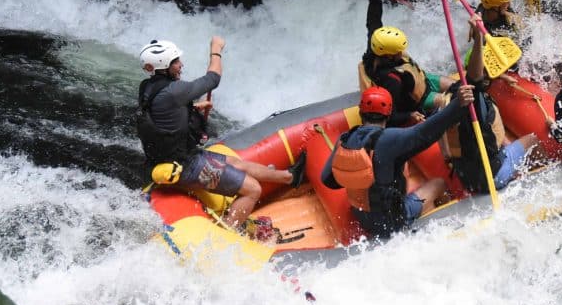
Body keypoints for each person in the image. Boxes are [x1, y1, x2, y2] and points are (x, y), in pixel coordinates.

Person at [135, 37, 306, 230]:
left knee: (236, 163)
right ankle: (229, 234)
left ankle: (289, 177)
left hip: (173, 158)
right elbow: (212, 79)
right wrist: (215, 49)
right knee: (252, 190)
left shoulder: (147, 88)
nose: (181, 65)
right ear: (163, 65)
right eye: (175, 62)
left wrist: (195, 108)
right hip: (186, 167)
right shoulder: (175, 90)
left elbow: (161, 115)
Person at [321, 83, 475, 240]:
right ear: (388, 115)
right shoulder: (388, 139)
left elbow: (328, 180)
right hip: (392, 223)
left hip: (363, 218)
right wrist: (457, 104)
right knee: (439, 184)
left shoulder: (345, 138)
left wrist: (358, 175)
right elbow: (424, 134)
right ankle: (427, 219)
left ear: (361, 113)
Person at [440, 18, 540, 193]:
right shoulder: (474, 100)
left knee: (501, 145)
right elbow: (475, 78)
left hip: (467, 180)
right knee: (531, 139)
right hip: (492, 177)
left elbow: (447, 153)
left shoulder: (448, 97)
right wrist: (478, 38)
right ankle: (537, 176)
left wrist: (501, 77)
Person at [360, 0, 454, 125]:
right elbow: (391, 116)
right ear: (389, 55)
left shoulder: (375, 46)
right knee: (450, 102)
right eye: (398, 50)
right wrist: (409, 115)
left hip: (424, 80)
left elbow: (373, 20)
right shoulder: (391, 81)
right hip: (420, 98)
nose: (401, 52)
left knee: (457, 86)